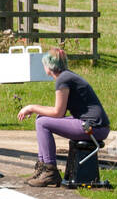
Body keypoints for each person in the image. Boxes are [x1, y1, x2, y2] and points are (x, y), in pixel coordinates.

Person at [16, 47, 110, 187]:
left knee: (42, 123)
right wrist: (36, 110)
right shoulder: (67, 76)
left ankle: (50, 172)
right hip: (96, 125)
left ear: (49, 66)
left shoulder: (63, 80)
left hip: (93, 127)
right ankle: (43, 169)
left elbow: (58, 113)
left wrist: (32, 107)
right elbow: (59, 111)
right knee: (40, 119)